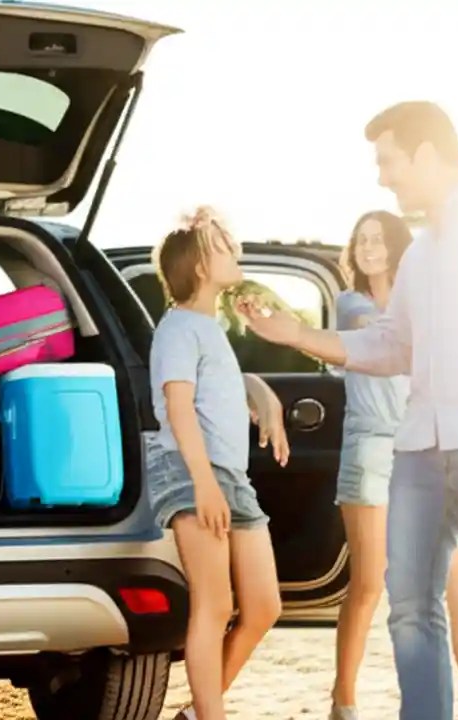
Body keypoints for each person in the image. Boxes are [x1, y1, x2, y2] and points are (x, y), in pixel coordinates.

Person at [238, 101, 458, 720]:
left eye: (388, 161)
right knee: (409, 608)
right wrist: (297, 334)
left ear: (425, 154)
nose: (382, 177)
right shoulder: (420, 256)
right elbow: (394, 346)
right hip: (420, 449)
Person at [329, 210, 458, 720]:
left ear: (398, 246)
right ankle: (343, 700)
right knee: (369, 583)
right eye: (362, 239)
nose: (369, 247)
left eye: (379, 239)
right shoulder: (351, 303)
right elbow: (377, 332)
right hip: (371, 452)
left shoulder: (424, 302)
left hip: (423, 451)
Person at [147, 208, 287, 720]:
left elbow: (215, 387)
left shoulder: (208, 327)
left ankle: (196, 713)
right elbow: (179, 406)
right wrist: (203, 484)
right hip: (194, 472)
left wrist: (260, 391)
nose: (237, 251)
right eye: (224, 246)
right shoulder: (179, 327)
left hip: (230, 476)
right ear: (202, 265)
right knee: (215, 604)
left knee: (264, 605)